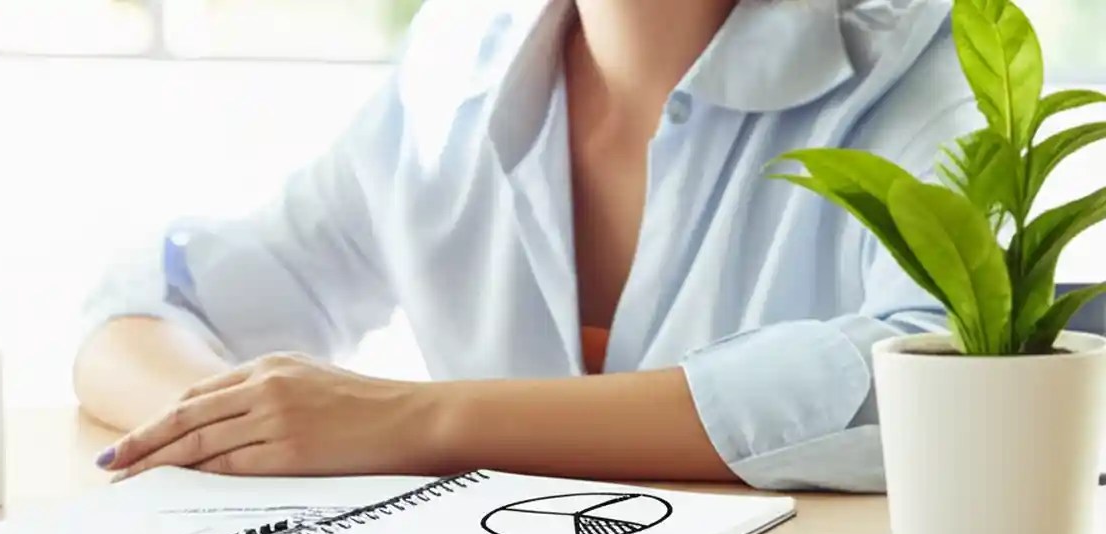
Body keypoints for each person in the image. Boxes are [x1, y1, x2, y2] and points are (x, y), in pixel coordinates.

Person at [75, 0, 979, 492]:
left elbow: (945, 373)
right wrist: (221, 432)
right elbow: (147, 307)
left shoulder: (918, 60)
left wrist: (415, 421)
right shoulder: (455, 64)